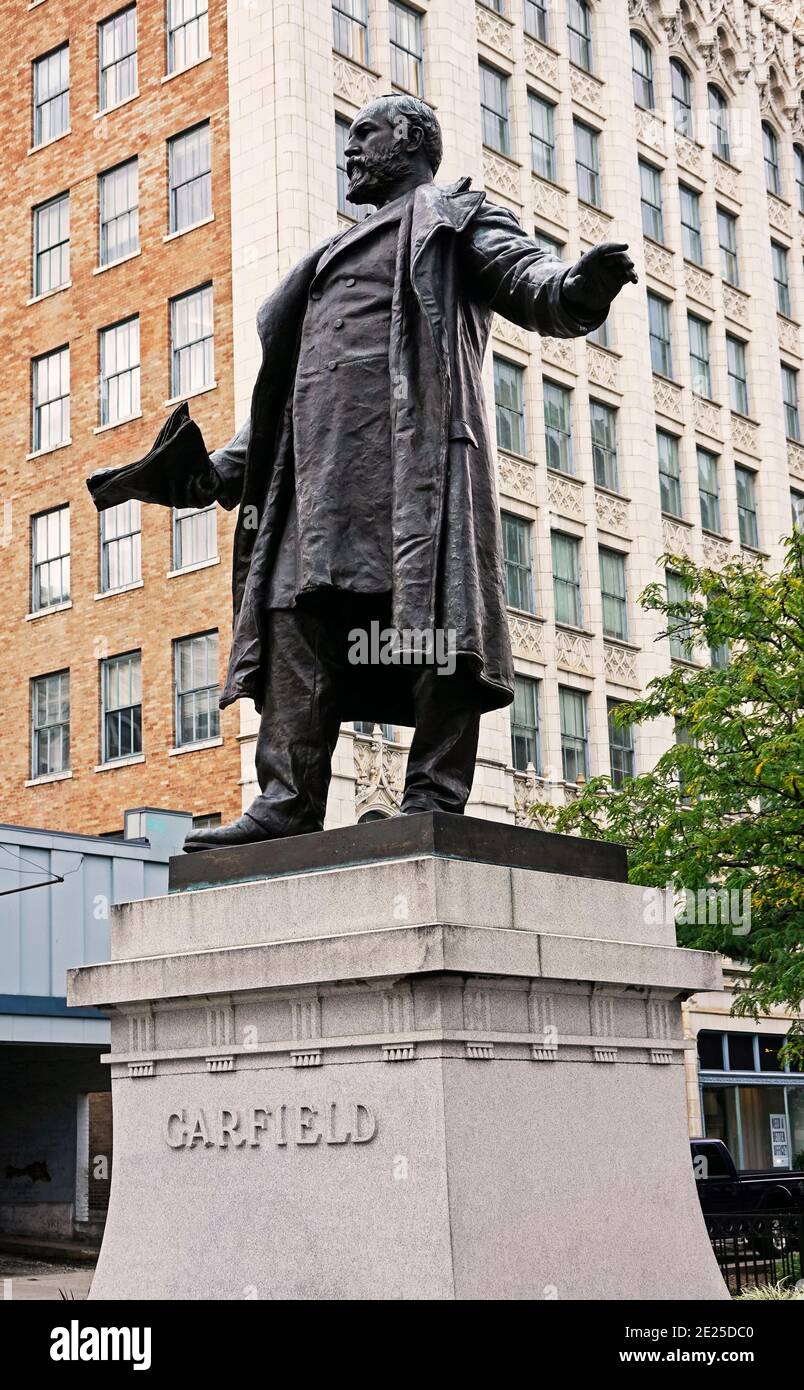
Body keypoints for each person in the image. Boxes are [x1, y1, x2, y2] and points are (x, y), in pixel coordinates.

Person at [87, 94, 637, 852]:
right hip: (316, 487)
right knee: (290, 618)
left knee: (438, 625)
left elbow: (530, 281)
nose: (348, 152)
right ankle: (286, 801)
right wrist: (204, 474)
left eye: (364, 136)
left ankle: (432, 794)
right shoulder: (324, 261)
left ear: (409, 142)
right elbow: (289, 397)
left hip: (414, 470)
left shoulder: (453, 215)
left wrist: (579, 289)